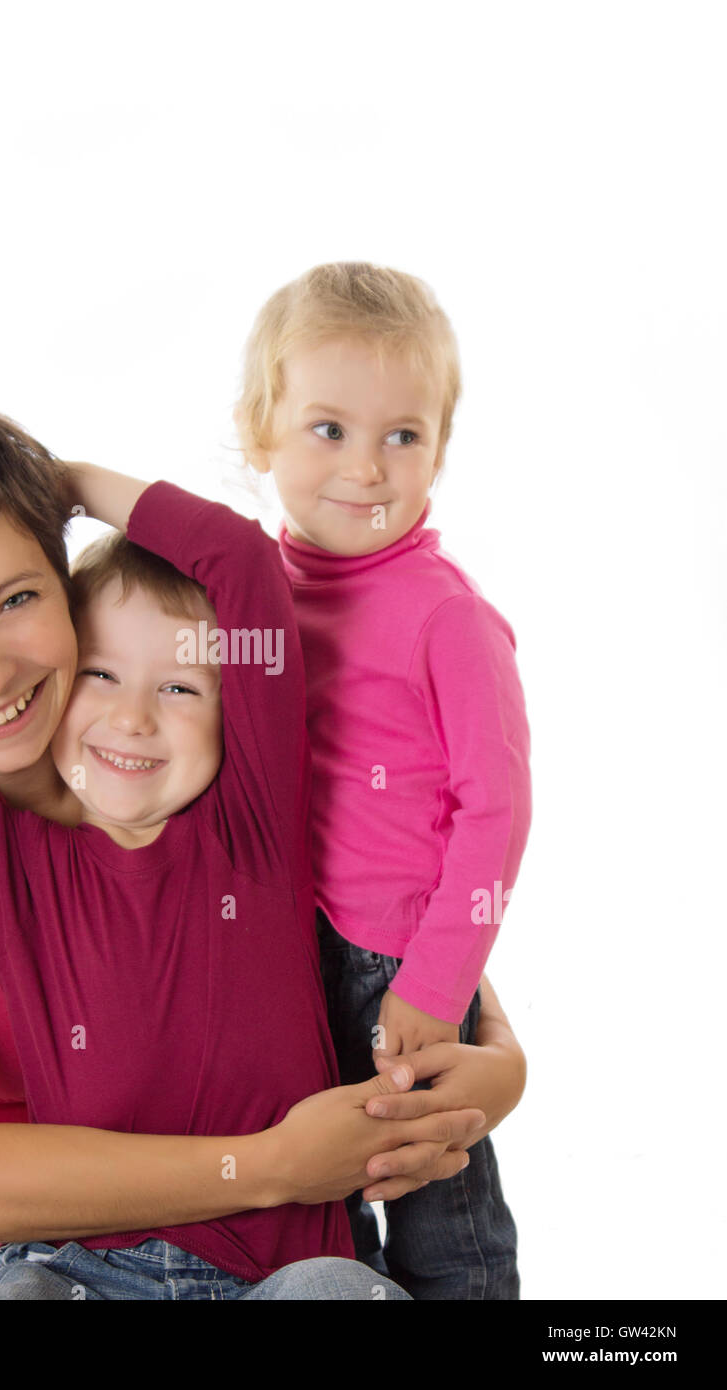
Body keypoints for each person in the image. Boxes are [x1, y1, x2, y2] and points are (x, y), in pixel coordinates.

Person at [0, 408, 525, 1299]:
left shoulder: (254, 815)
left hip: (281, 1258)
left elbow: (399, 970)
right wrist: (271, 1166)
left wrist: (44, 484)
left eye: (16, 598)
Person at [235, 262, 532, 1298]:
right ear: (257, 431)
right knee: (325, 1197)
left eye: (401, 436)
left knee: (434, 1189)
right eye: (329, 430)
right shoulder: (252, 589)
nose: (366, 467)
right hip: (285, 941)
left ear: (438, 451)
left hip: (392, 963)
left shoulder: (445, 615)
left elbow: (496, 811)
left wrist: (437, 982)